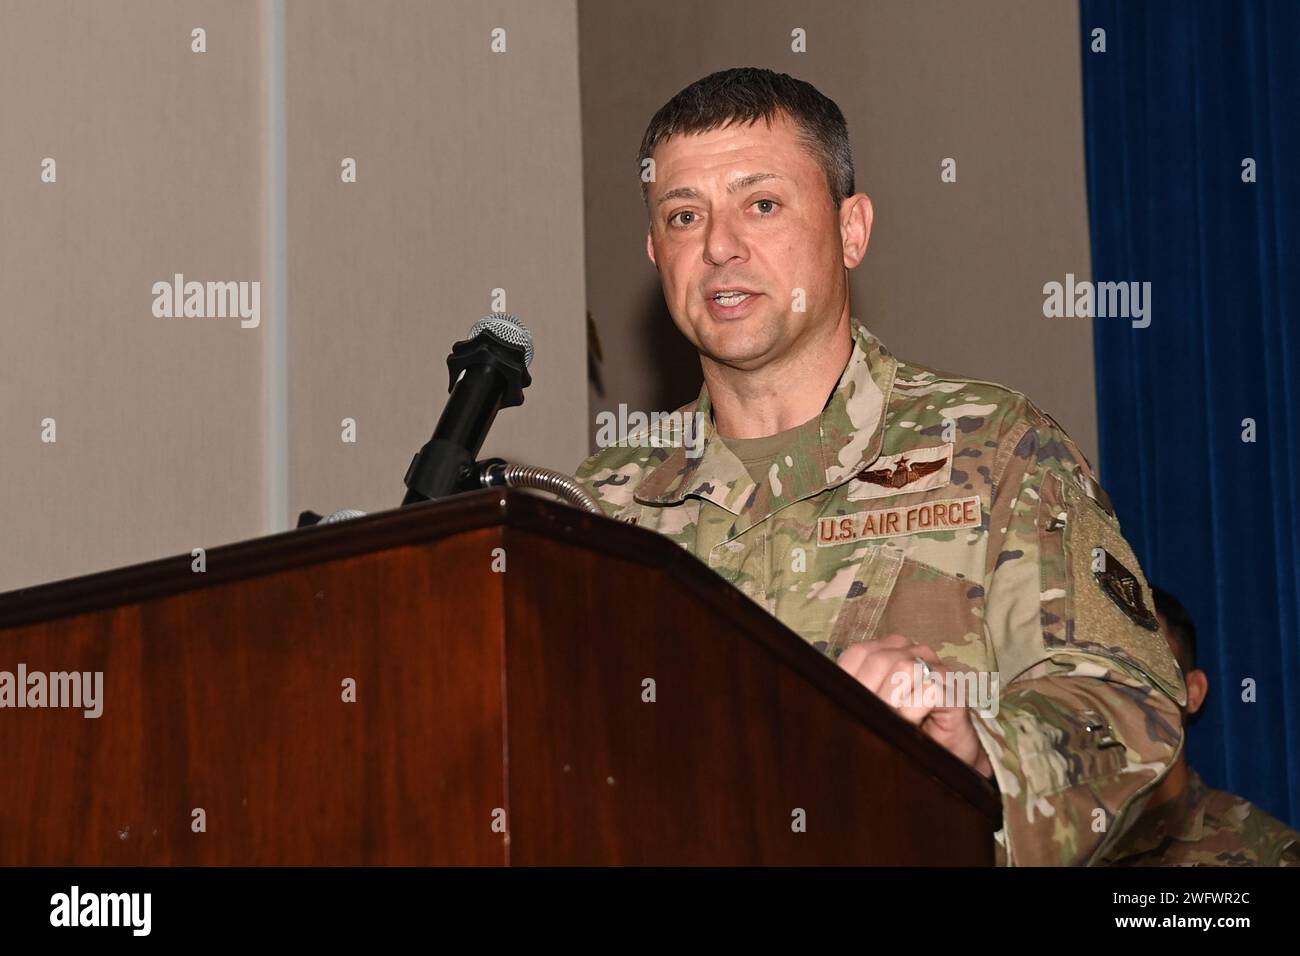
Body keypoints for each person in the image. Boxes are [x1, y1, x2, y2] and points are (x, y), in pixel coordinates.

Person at [574, 67, 1185, 865]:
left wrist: (981, 752)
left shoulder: (993, 447)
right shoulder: (600, 508)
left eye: (762, 204)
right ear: (657, 252)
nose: (719, 246)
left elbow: (1130, 710)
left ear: (852, 229)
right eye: (684, 216)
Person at [1102, 586, 1300, 866]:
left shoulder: (1267, 853)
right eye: (1107, 673)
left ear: (1193, 692)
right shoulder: (1041, 844)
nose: (1126, 691)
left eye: (1149, 669)